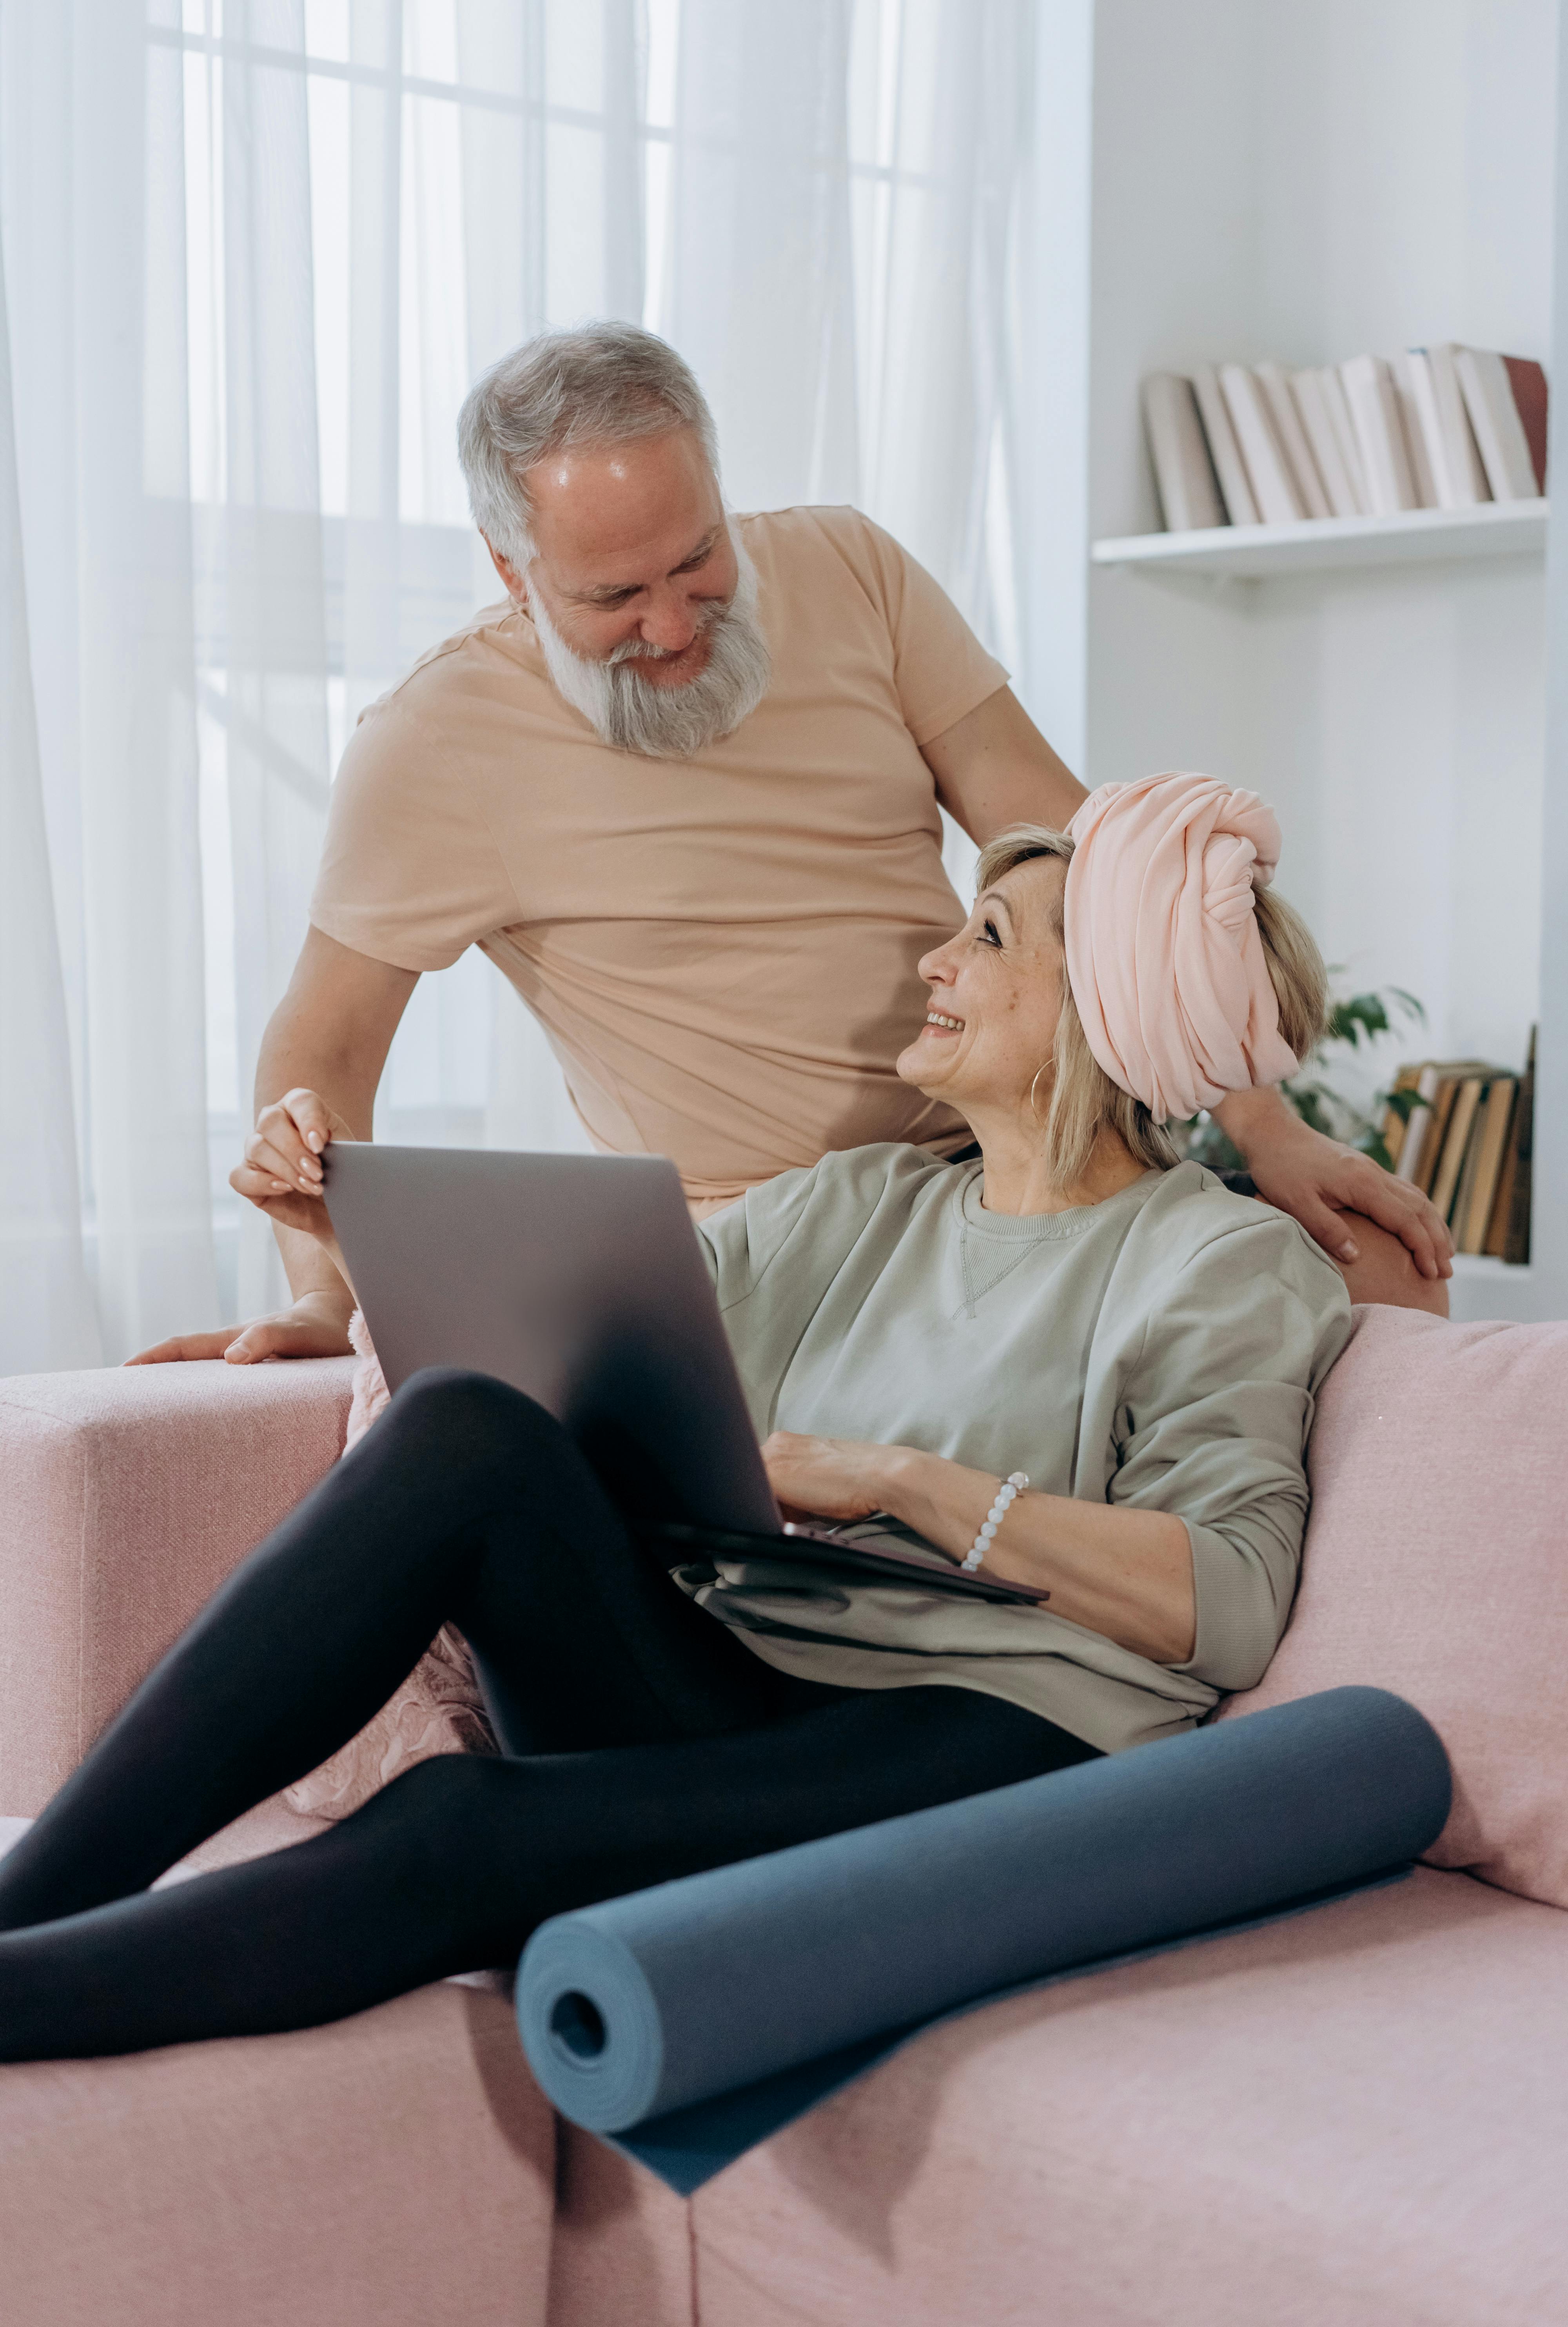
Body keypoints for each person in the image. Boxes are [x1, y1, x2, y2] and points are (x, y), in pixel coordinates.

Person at [0, 776, 1353, 2062]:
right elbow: (567, 1369)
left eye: (989, 937)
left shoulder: (1224, 1264)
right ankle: (28, 1900)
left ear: (1106, 1009)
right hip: (740, 1686)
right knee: (467, 1424)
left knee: (458, 1827)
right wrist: (342, 1242)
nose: (937, 962)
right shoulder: (856, 1203)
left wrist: (908, 1483)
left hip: (999, 1743)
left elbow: (1231, 1598)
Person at [131, 325, 1446, 1376]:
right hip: (761, 1238)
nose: (674, 621)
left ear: (717, 484)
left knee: (1383, 1275)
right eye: (613, 596)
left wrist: (1266, 1133)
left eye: (699, 559)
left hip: (1016, 1163)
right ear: (511, 568)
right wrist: (324, 1293)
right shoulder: (435, 741)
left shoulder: (853, 571)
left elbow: (1087, 868)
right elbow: (326, 1049)